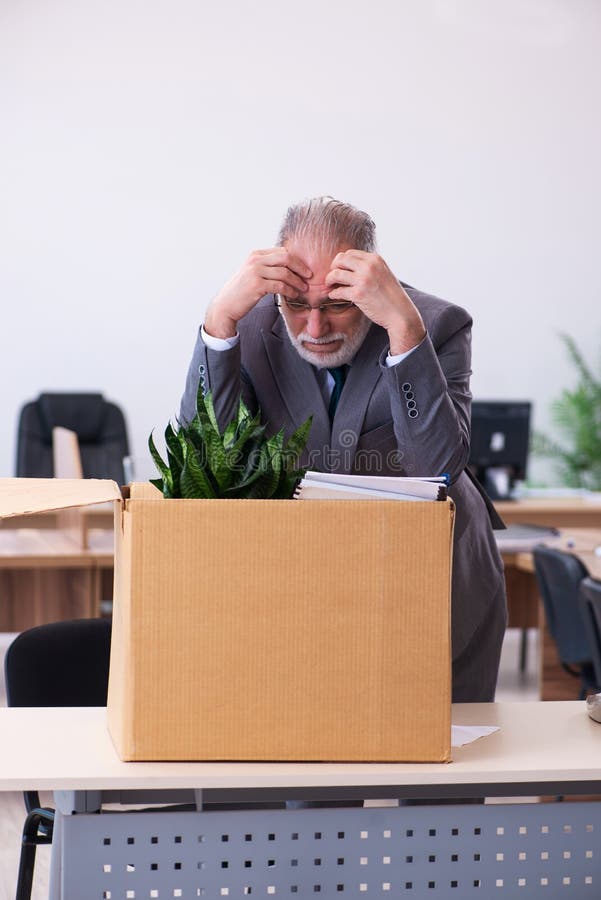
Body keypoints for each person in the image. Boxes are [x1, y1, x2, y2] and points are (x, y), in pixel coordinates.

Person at [180, 196, 507, 702]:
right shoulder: (249, 323)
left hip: (437, 583)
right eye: (297, 305)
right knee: (312, 747)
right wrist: (219, 322)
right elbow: (204, 457)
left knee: (446, 761)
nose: (315, 329)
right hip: (309, 580)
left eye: (337, 305)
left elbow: (437, 466)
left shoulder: (437, 325)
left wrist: (404, 330)